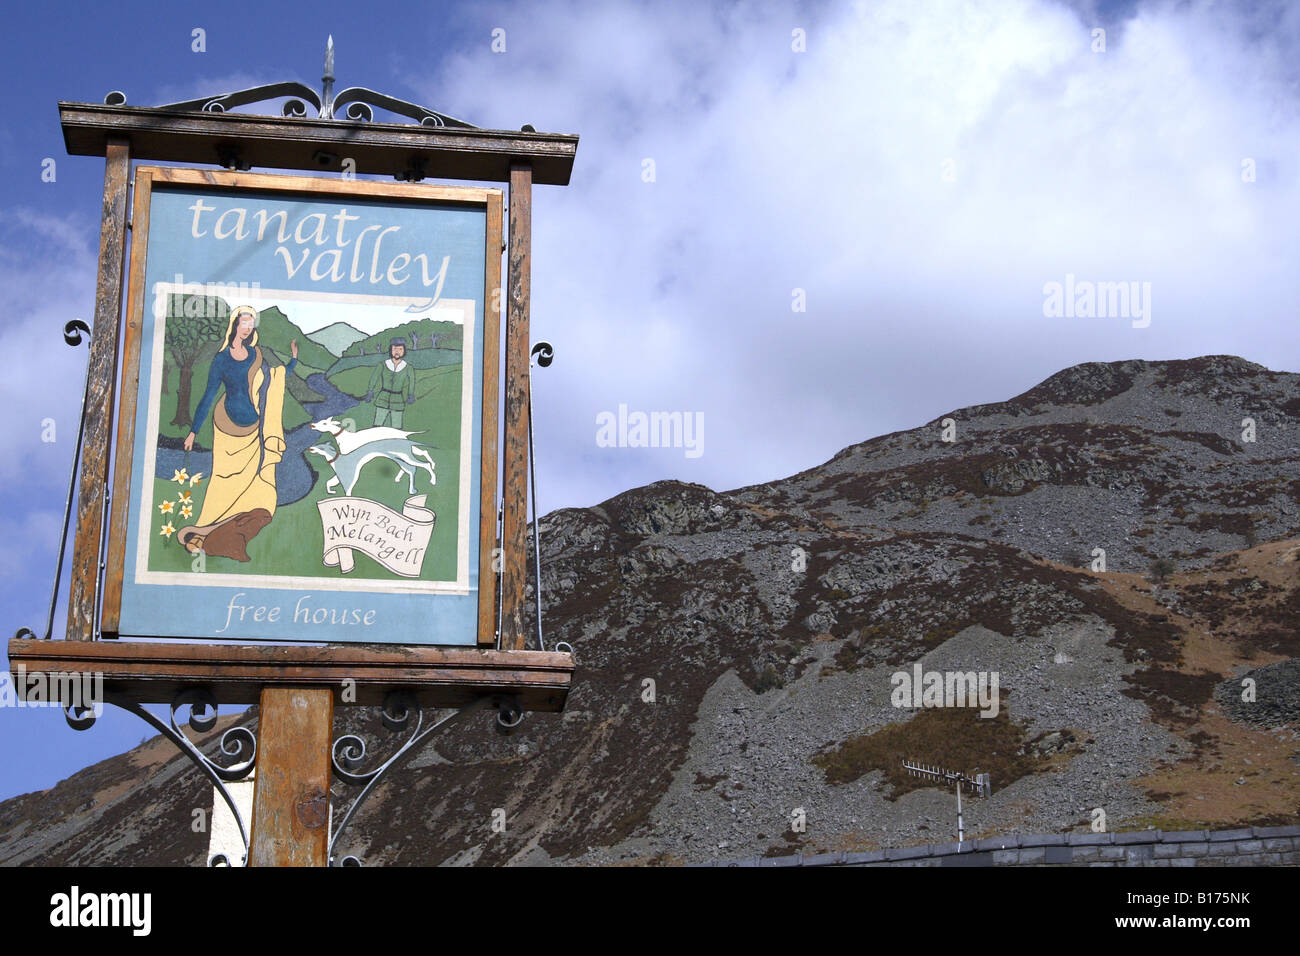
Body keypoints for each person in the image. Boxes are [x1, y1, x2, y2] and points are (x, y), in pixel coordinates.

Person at [178, 305, 297, 561]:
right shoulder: (221, 360)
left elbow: (274, 379)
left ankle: (225, 539)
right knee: (224, 483)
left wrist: (293, 362)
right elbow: (209, 395)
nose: (249, 327)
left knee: (258, 489)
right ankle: (202, 530)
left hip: (253, 430)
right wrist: (193, 432)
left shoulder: (256, 354)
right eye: (245, 322)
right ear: (235, 325)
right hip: (227, 430)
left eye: (252, 323)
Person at [365, 337, 416, 428]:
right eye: (394, 349)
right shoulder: (383, 365)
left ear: (404, 351)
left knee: (397, 428)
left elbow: (412, 381)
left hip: (398, 401)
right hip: (382, 399)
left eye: (400, 349)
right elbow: (374, 378)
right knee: (377, 425)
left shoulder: (408, 367)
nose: (397, 351)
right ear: (391, 350)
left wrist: (410, 394)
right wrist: (370, 391)